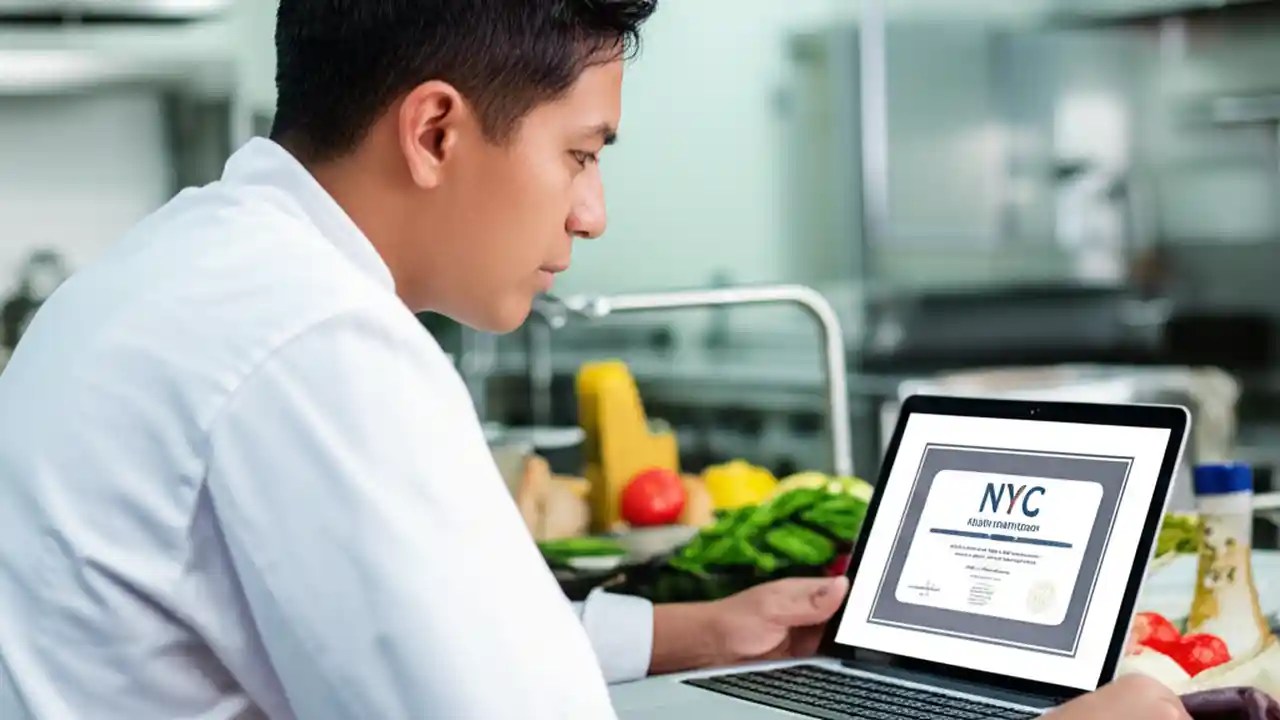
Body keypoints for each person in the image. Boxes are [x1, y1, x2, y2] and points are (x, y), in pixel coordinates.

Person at [0, 2, 1189, 718]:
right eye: (580, 154)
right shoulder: (320, 346)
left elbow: (425, 640)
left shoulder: (182, 267)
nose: (593, 213)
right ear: (433, 130)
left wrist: (689, 632)